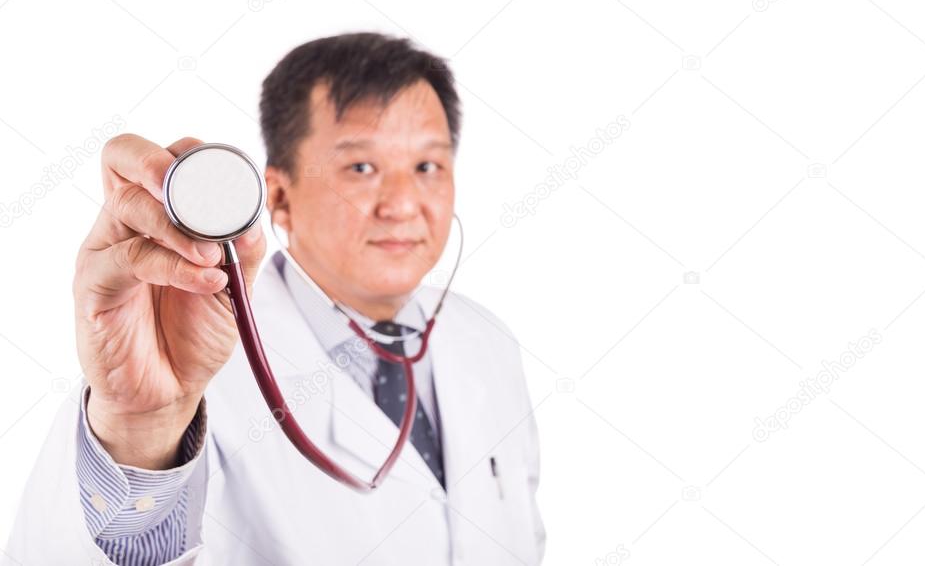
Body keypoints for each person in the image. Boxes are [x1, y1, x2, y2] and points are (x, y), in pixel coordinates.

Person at [4, 33, 545, 565]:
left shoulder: (486, 341)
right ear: (279, 196)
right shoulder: (177, 358)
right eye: (361, 167)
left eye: (427, 167)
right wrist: (142, 426)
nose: (403, 204)